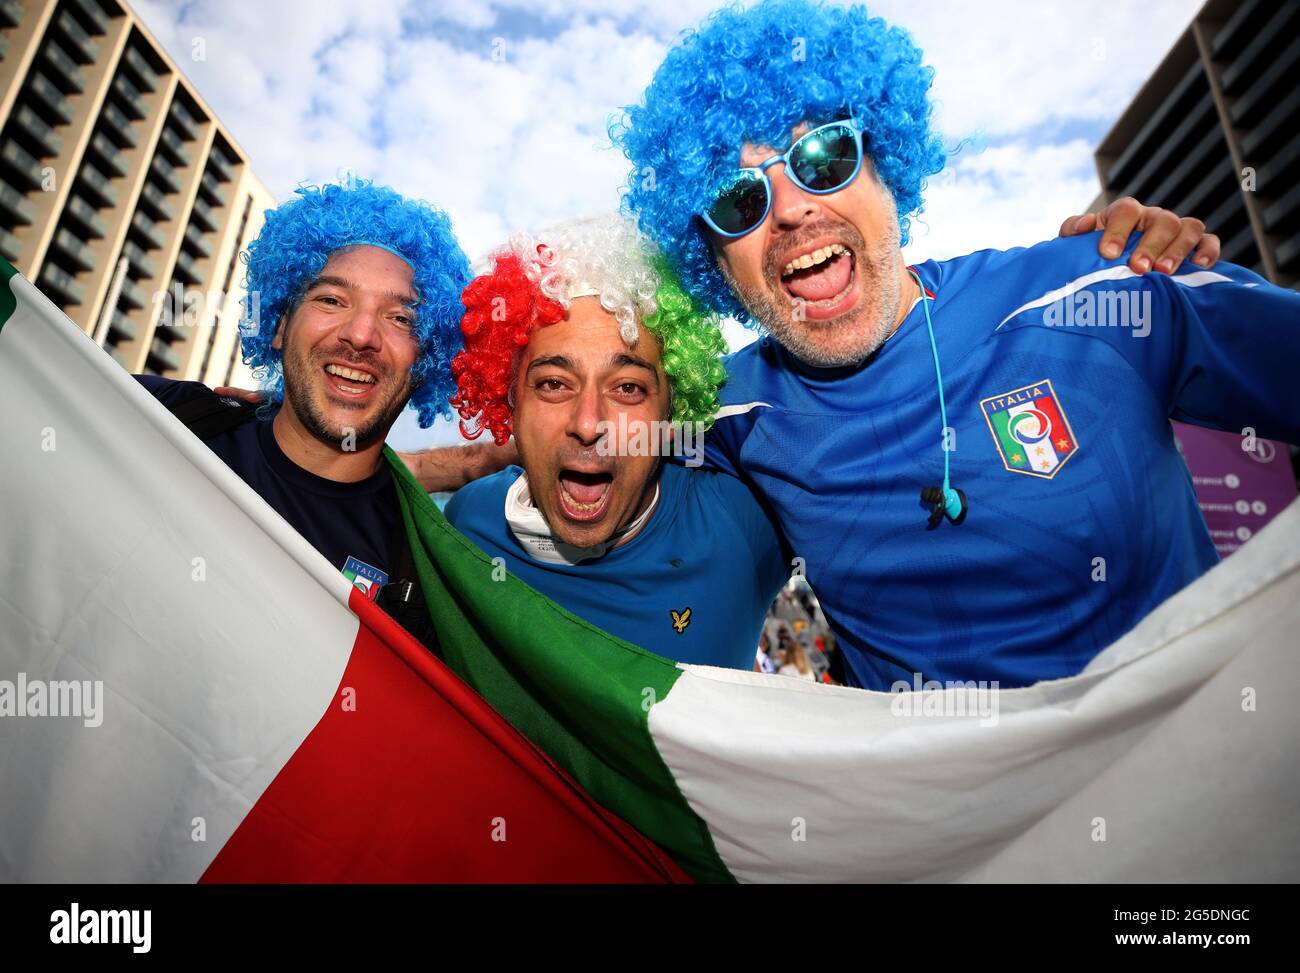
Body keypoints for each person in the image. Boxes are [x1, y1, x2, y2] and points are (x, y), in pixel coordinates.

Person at [609, 0, 1300, 690]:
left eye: (824, 158)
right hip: (941, 795)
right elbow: (587, 471)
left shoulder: (1097, 288)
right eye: (738, 199)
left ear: (886, 169)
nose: (791, 210)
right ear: (715, 258)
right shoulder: (725, 415)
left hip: (1198, 769)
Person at [442, 214, 789, 668]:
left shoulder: (745, 525)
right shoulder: (470, 525)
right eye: (553, 384)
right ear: (511, 400)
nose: (589, 424)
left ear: (671, 408)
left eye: (627, 388)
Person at [135, 179, 471, 647]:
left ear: (425, 364)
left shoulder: (419, 579)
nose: (360, 335)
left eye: (401, 318)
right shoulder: (158, 417)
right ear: (278, 326)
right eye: (331, 299)